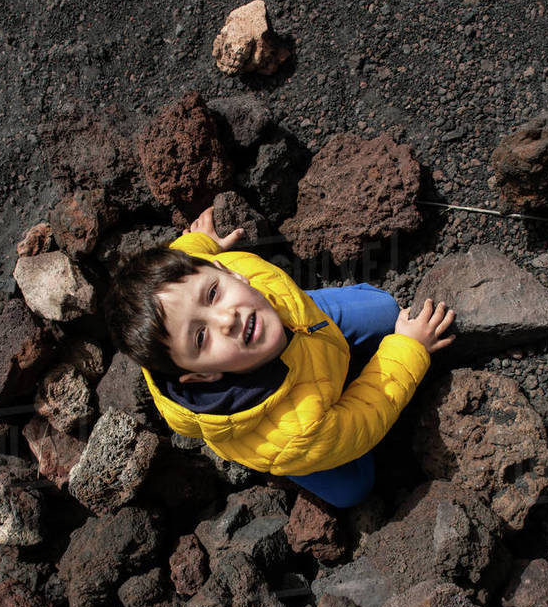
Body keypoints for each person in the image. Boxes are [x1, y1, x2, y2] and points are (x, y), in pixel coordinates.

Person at [104, 208, 455, 508]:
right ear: (203, 377)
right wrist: (409, 350)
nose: (227, 319)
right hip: (304, 421)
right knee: (353, 489)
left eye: (212, 294)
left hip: (303, 319)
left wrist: (202, 242)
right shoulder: (293, 434)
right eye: (201, 336)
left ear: (226, 271)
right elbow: (363, 422)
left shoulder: (228, 268)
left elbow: (190, 259)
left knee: (385, 308)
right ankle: (299, 468)